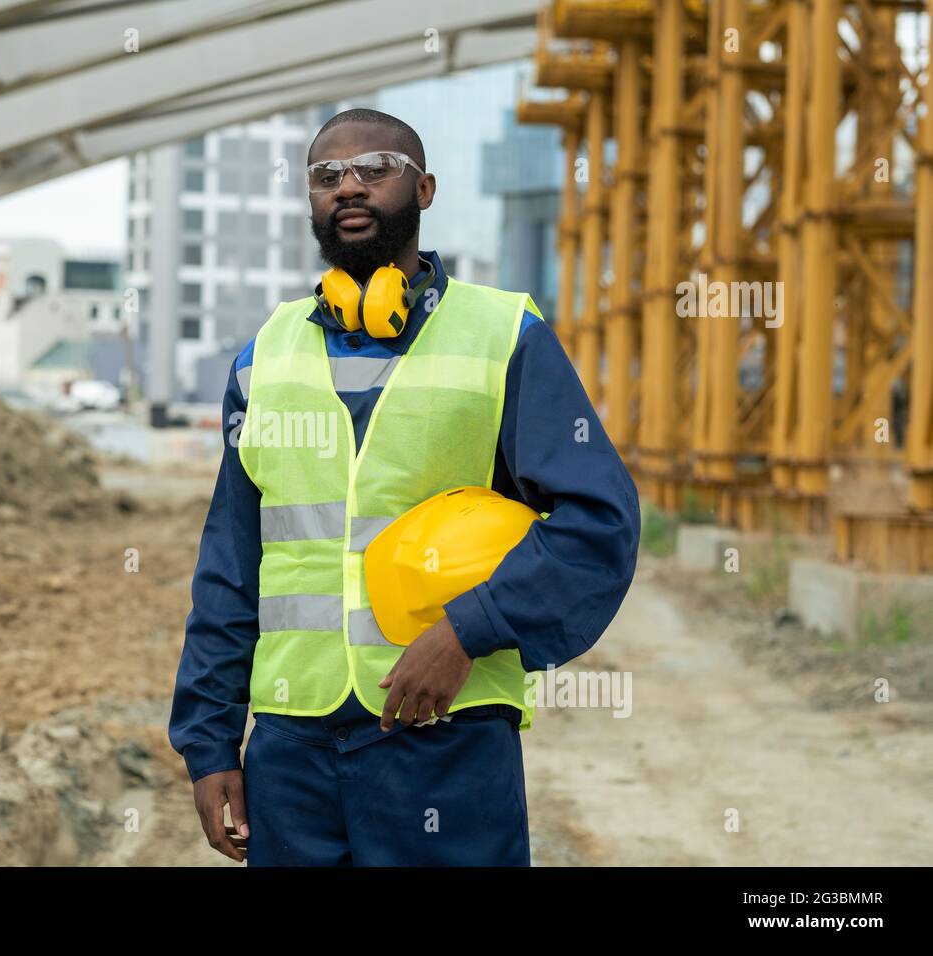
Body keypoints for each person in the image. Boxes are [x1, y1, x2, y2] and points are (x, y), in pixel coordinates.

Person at [168, 108, 641, 866]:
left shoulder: (503, 334)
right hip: (292, 749)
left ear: (422, 188)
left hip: (444, 740)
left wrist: (470, 630)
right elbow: (231, 564)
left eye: (374, 168)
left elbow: (598, 522)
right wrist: (210, 741)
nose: (348, 186)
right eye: (327, 176)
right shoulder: (264, 357)